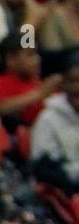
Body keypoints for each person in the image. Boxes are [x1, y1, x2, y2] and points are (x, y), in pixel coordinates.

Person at [0, 31, 62, 132]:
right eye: (31, 54)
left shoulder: (37, 83)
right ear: (11, 60)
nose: (38, 59)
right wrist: (40, 93)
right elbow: (1, 109)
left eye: (36, 53)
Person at [30, 54, 79, 190]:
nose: (77, 88)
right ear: (63, 84)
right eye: (72, 81)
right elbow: (44, 169)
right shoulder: (47, 119)